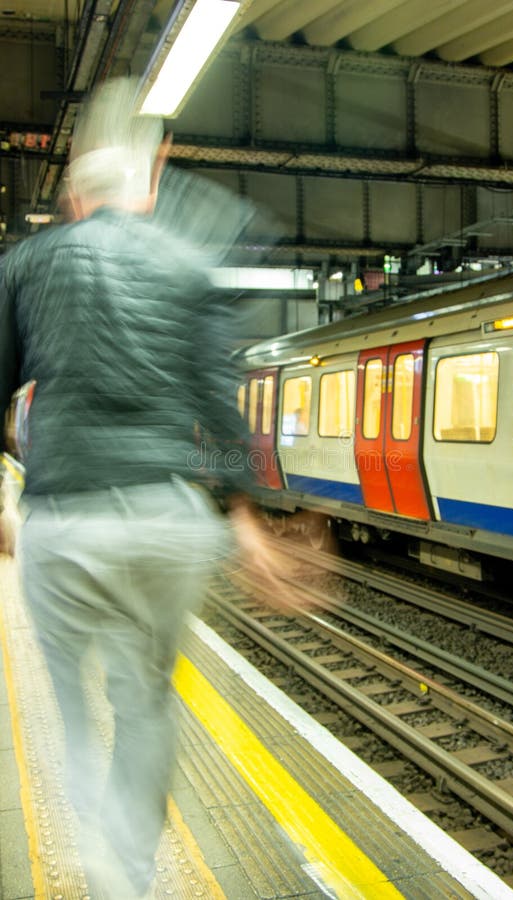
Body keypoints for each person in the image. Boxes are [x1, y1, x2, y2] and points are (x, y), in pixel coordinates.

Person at [0, 78, 283, 899]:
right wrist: (247, 518)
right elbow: (217, 404)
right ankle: (134, 869)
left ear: (77, 203)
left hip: (64, 517)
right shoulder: (187, 265)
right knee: (147, 701)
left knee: (72, 708)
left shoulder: (29, 262)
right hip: (166, 521)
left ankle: (103, 873)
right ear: (146, 194)